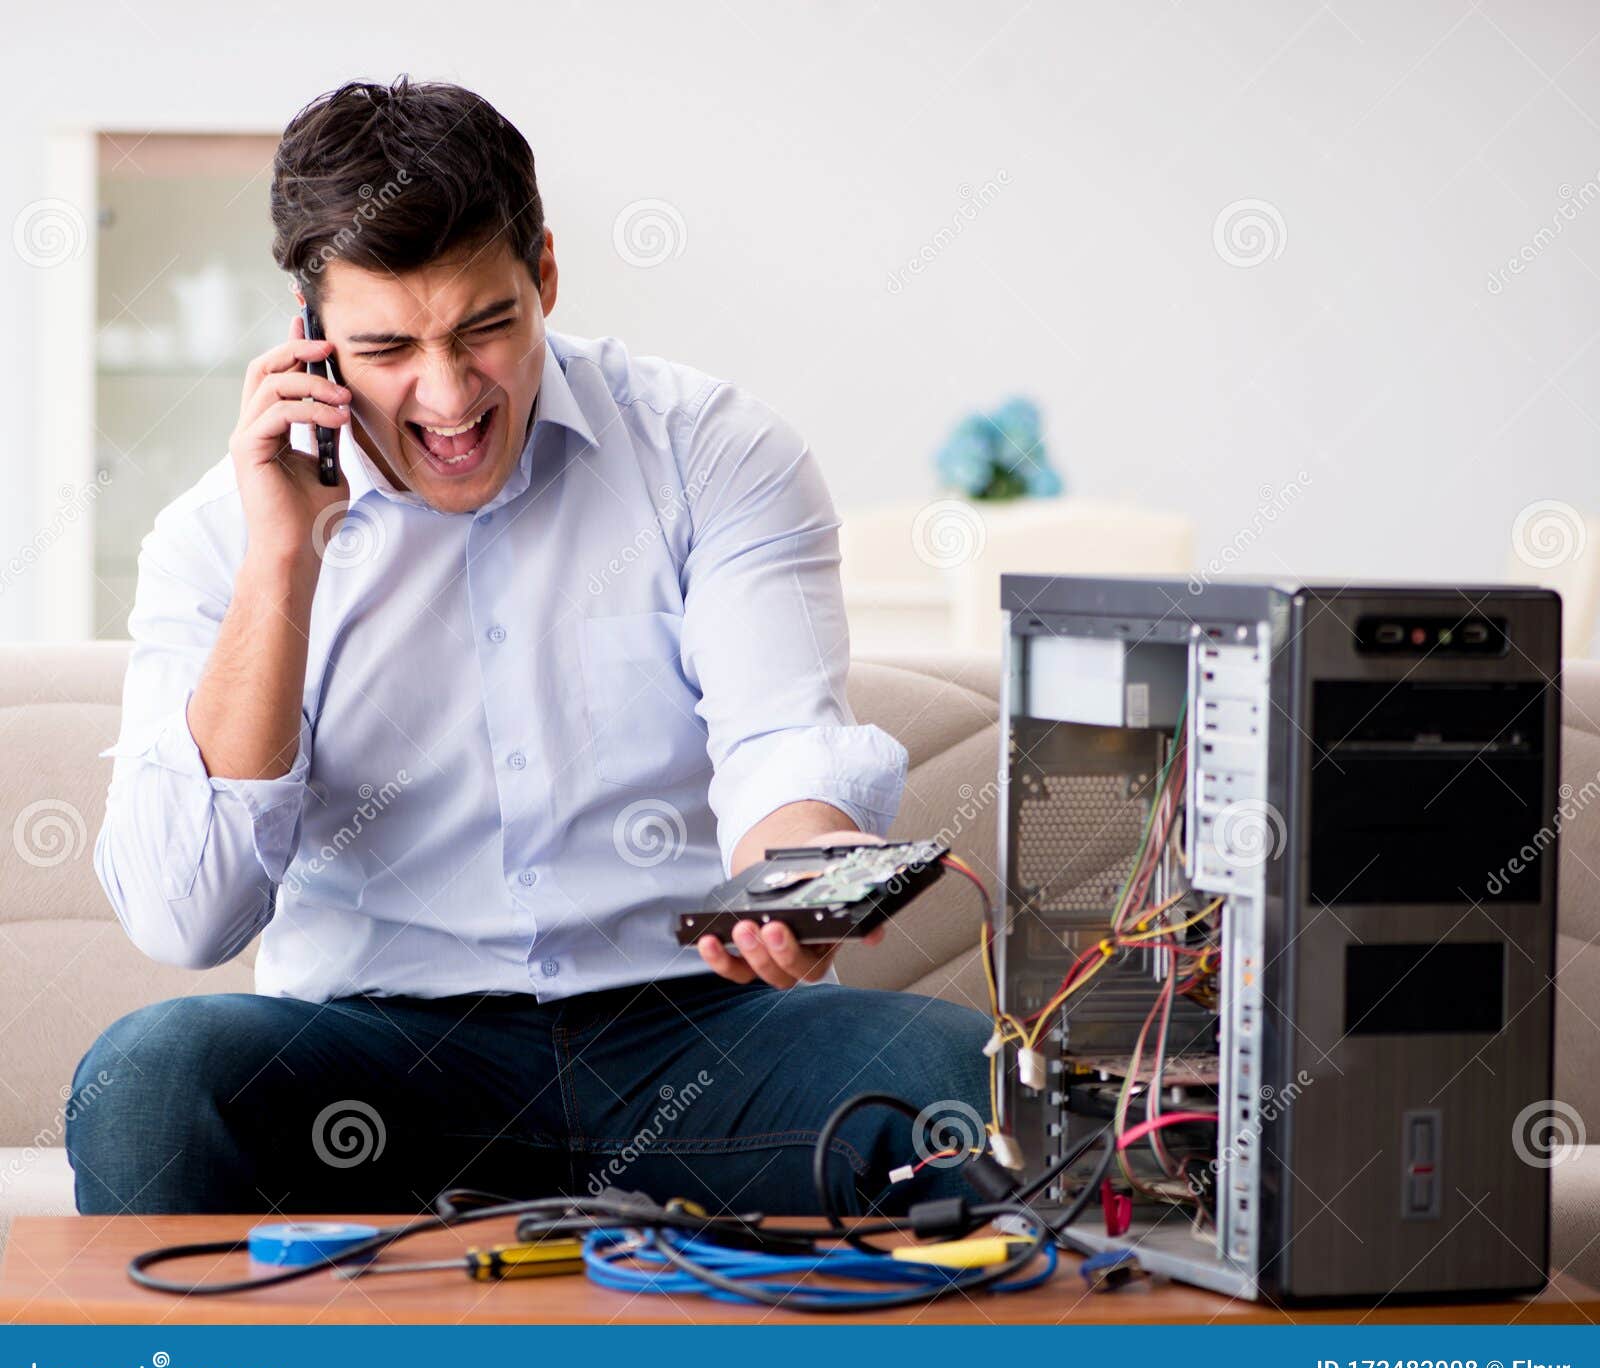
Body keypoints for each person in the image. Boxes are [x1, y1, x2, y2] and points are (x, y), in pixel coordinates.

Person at [66, 77, 988, 1218]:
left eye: (485, 327)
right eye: (388, 346)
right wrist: (282, 566)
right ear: (308, 335)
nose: (448, 397)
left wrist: (790, 895)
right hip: (379, 1054)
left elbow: (779, 744)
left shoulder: (711, 451)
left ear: (543, 273)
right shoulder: (218, 537)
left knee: (951, 1076)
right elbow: (184, 918)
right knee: (147, 1080)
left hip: (688, 1035)